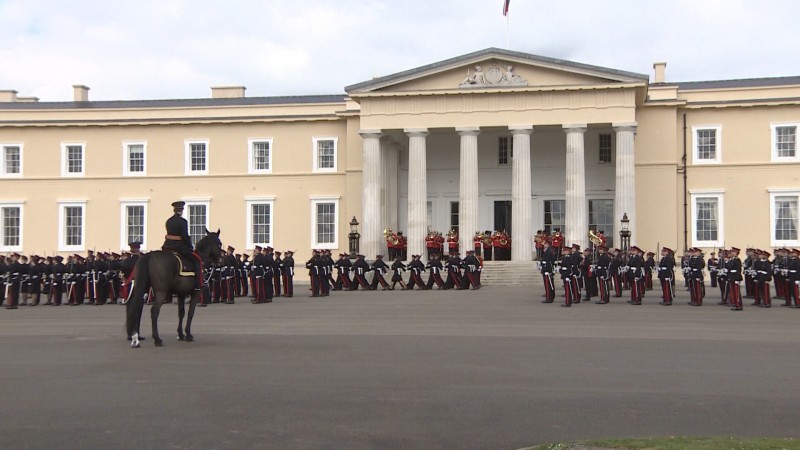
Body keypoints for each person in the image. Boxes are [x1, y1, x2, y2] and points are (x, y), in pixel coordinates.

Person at [162, 201, 203, 291]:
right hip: (179, 246)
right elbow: (184, 236)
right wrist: (190, 246)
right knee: (197, 260)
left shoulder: (168, 221)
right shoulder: (183, 221)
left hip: (167, 246)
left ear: (174, 210)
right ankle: (198, 284)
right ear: (181, 210)